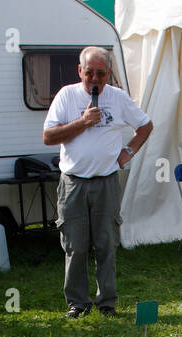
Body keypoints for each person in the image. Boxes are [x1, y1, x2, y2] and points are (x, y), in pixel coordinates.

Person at [42, 46, 152, 318]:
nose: (94, 79)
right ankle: (78, 303)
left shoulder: (118, 98)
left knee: (106, 245)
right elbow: (48, 137)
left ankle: (107, 304)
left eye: (100, 74)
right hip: (73, 184)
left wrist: (127, 153)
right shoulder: (67, 96)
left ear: (109, 74)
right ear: (80, 71)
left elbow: (146, 126)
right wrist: (82, 122)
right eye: (89, 72)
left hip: (106, 183)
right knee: (75, 247)